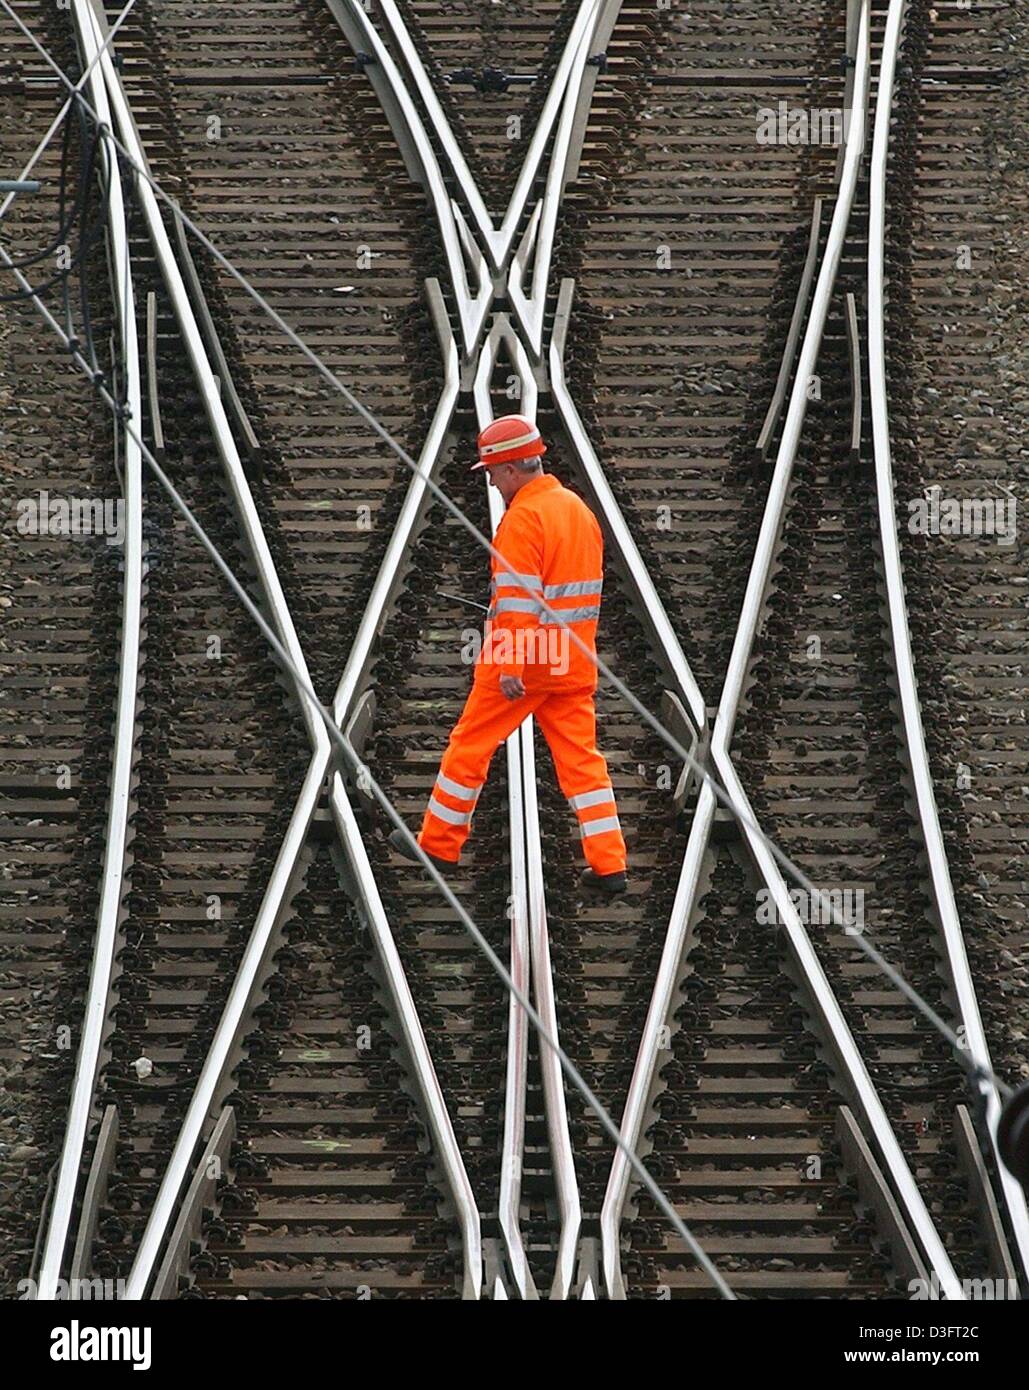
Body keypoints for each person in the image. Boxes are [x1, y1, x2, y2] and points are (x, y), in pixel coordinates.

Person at [389, 414, 627, 896]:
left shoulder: (522, 520)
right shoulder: (577, 510)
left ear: (515, 469)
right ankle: (610, 866)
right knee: (582, 761)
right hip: (573, 660)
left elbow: (520, 601)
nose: (493, 483)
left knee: (470, 744)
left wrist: (512, 664)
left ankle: (438, 845)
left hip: (529, 660)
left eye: (494, 473)